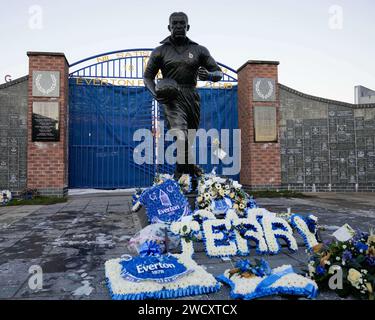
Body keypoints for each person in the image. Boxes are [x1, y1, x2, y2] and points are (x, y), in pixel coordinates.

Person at [144, 12, 223, 189]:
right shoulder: (160, 51)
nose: (178, 26)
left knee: (188, 139)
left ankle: (183, 171)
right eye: (175, 23)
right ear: (169, 27)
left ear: (187, 27)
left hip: (192, 96)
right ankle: (190, 170)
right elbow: (147, 76)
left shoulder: (199, 50)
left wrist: (210, 75)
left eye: (182, 23)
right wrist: (155, 93)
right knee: (180, 135)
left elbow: (219, 73)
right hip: (172, 97)